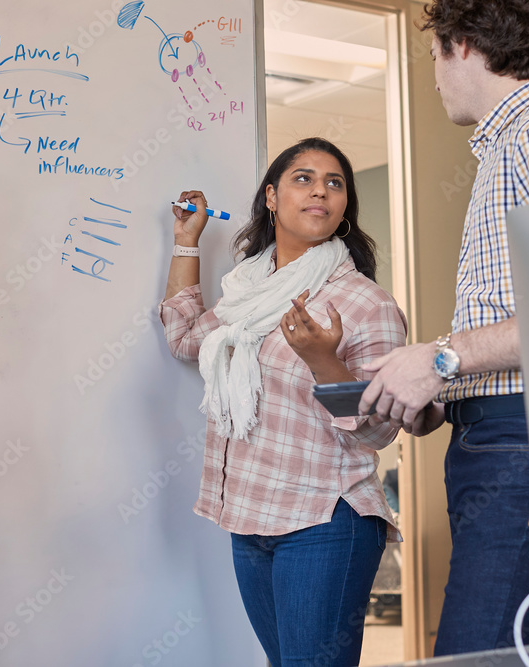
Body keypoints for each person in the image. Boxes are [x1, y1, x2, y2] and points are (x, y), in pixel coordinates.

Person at [359, 0, 529, 656]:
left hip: (522, 440)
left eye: (434, 57)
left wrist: (440, 359)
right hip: (496, 436)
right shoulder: (508, 144)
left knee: (475, 655)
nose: (437, 77)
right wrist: (435, 395)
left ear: (465, 45)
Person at [160, 137, 407, 666]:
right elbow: (183, 337)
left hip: (326, 521)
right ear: (271, 197)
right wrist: (186, 242)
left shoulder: (366, 302)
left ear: (343, 208)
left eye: (334, 183)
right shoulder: (247, 290)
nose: (320, 190)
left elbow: (381, 429)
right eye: (304, 178)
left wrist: (324, 361)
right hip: (250, 517)